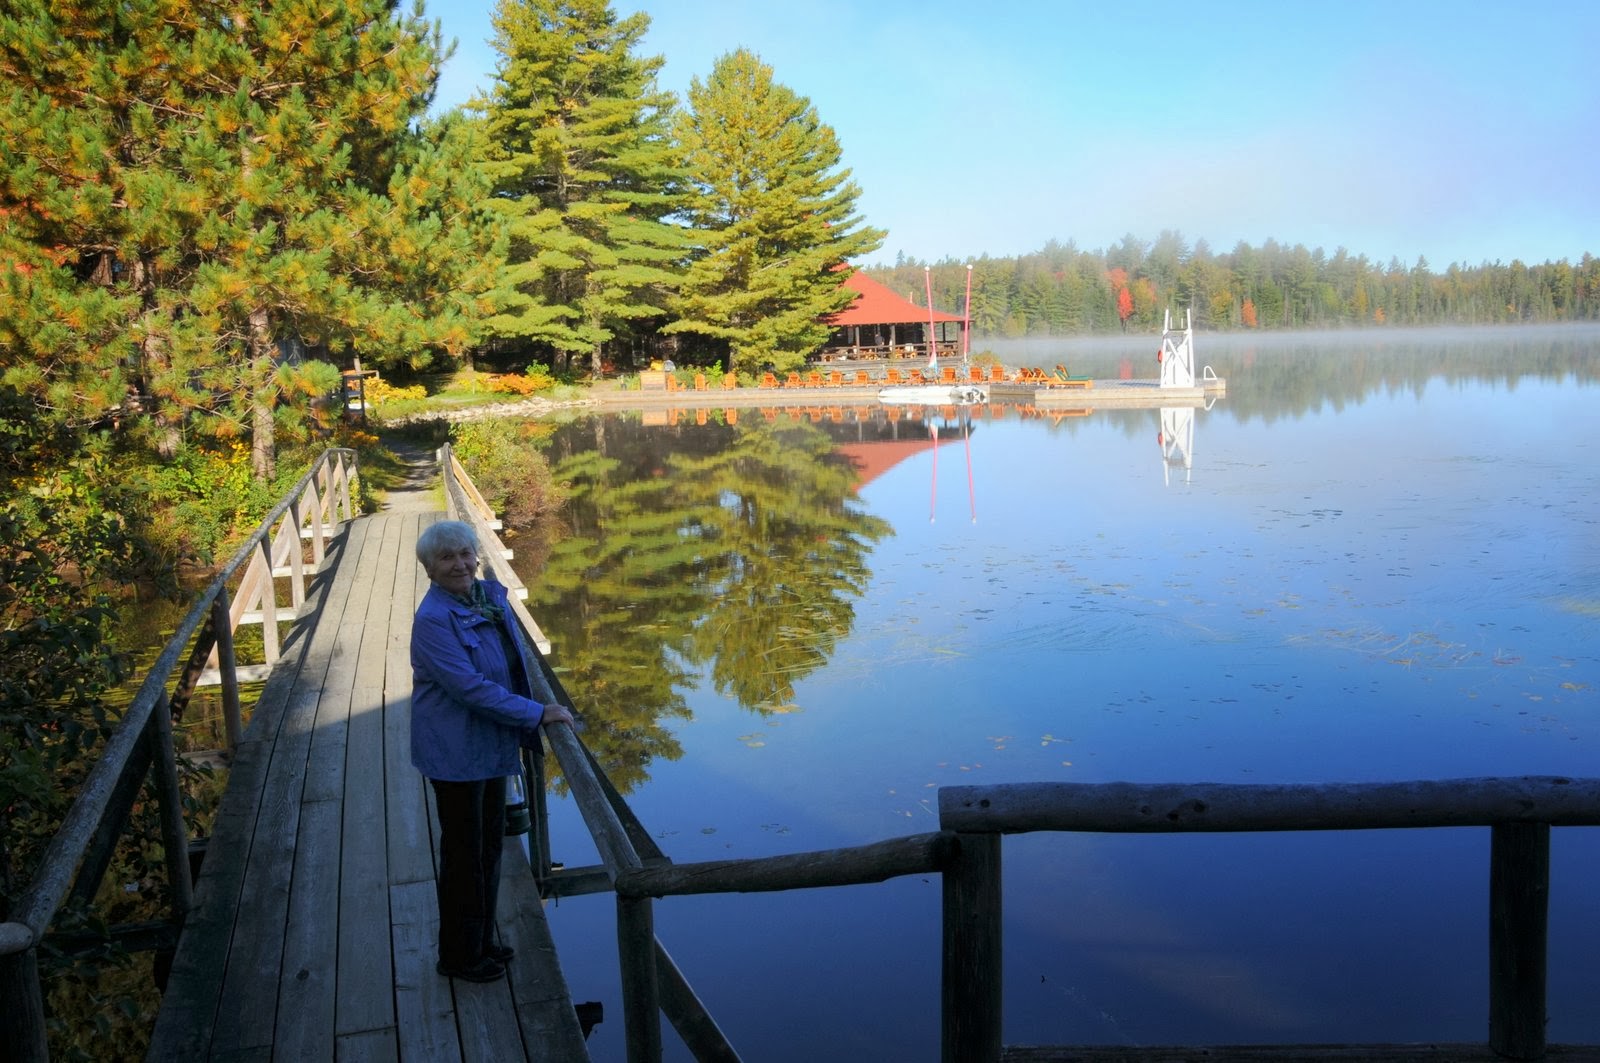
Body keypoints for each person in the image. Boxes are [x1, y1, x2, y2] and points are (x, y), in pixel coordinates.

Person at [410, 519, 574, 983]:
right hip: (455, 750)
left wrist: (529, 705)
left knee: (487, 849)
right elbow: (470, 689)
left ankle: (480, 940)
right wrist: (535, 713)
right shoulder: (433, 620)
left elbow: (511, 660)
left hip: (486, 744)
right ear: (430, 568)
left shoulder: (486, 597)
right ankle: (458, 956)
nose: (460, 564)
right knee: (464, 856)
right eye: (447, 558)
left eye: (465, 554)